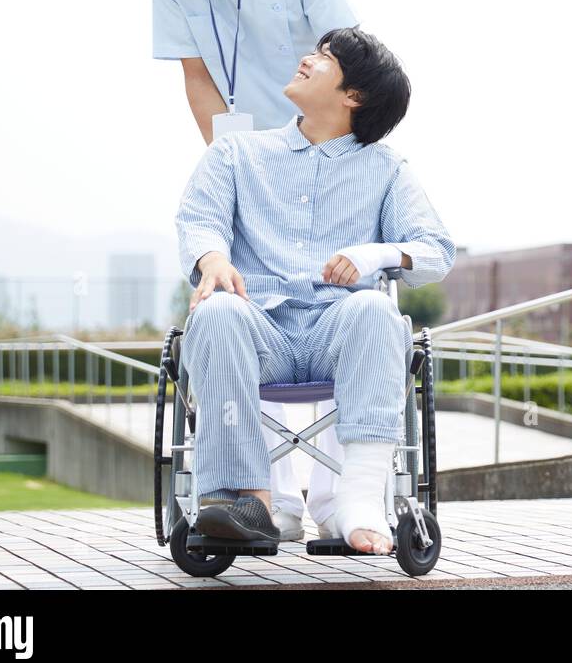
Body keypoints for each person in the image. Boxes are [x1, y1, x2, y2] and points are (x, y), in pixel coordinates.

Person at [141, 0, 358, 540]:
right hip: (242, 163)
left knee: (337, 306)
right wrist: (230, 160)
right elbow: (199, 77)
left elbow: (343, 60)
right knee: (243, 312)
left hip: (323, 156)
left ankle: (334, 503)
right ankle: (270, 503)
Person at [175, 27, 454, 554]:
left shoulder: (386, 169)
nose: (307, 58)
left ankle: (359, 500)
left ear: (354, 96)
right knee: (215, 313)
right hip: (261, 333)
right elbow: (199, 219)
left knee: (375, 307)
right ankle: (248, 501)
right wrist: (212, 257)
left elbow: (436, 249)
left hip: (338, 332)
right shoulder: (236, 154)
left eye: (324, 58)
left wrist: (375, 254)